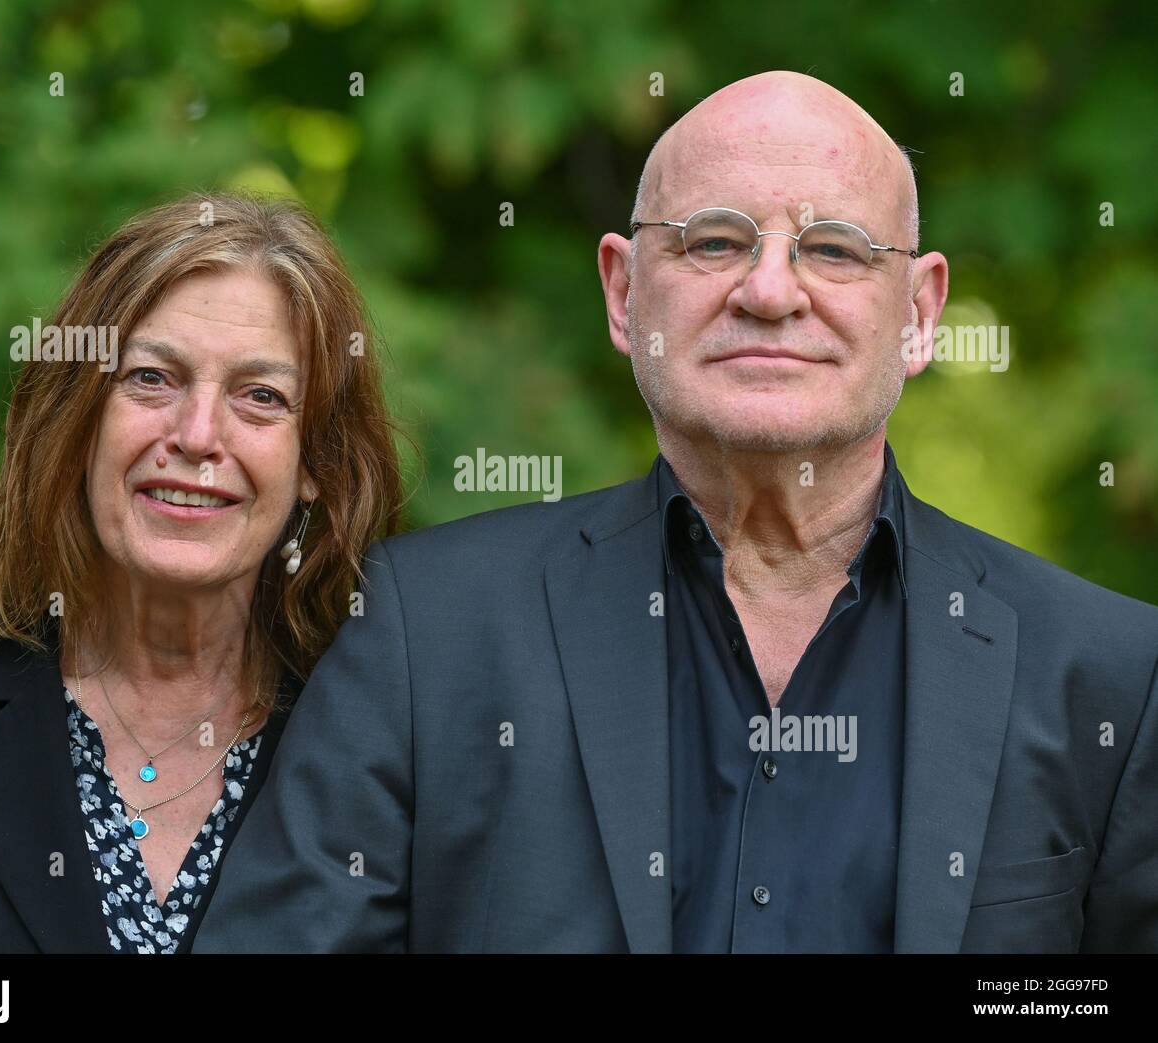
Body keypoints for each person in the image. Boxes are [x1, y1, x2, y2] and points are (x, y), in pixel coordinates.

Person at [194, 72, 1158, 954]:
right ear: (622, 292)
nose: (772, 290)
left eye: (834, 248)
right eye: (716, 241)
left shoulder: (1108, 674)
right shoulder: (426, 629)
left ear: (919, 312)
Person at [0, 193, 402, 953]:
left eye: (261, 396)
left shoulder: (388, 752)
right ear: (79, 418)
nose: (198, 435)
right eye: (152, 378)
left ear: (315, 463)